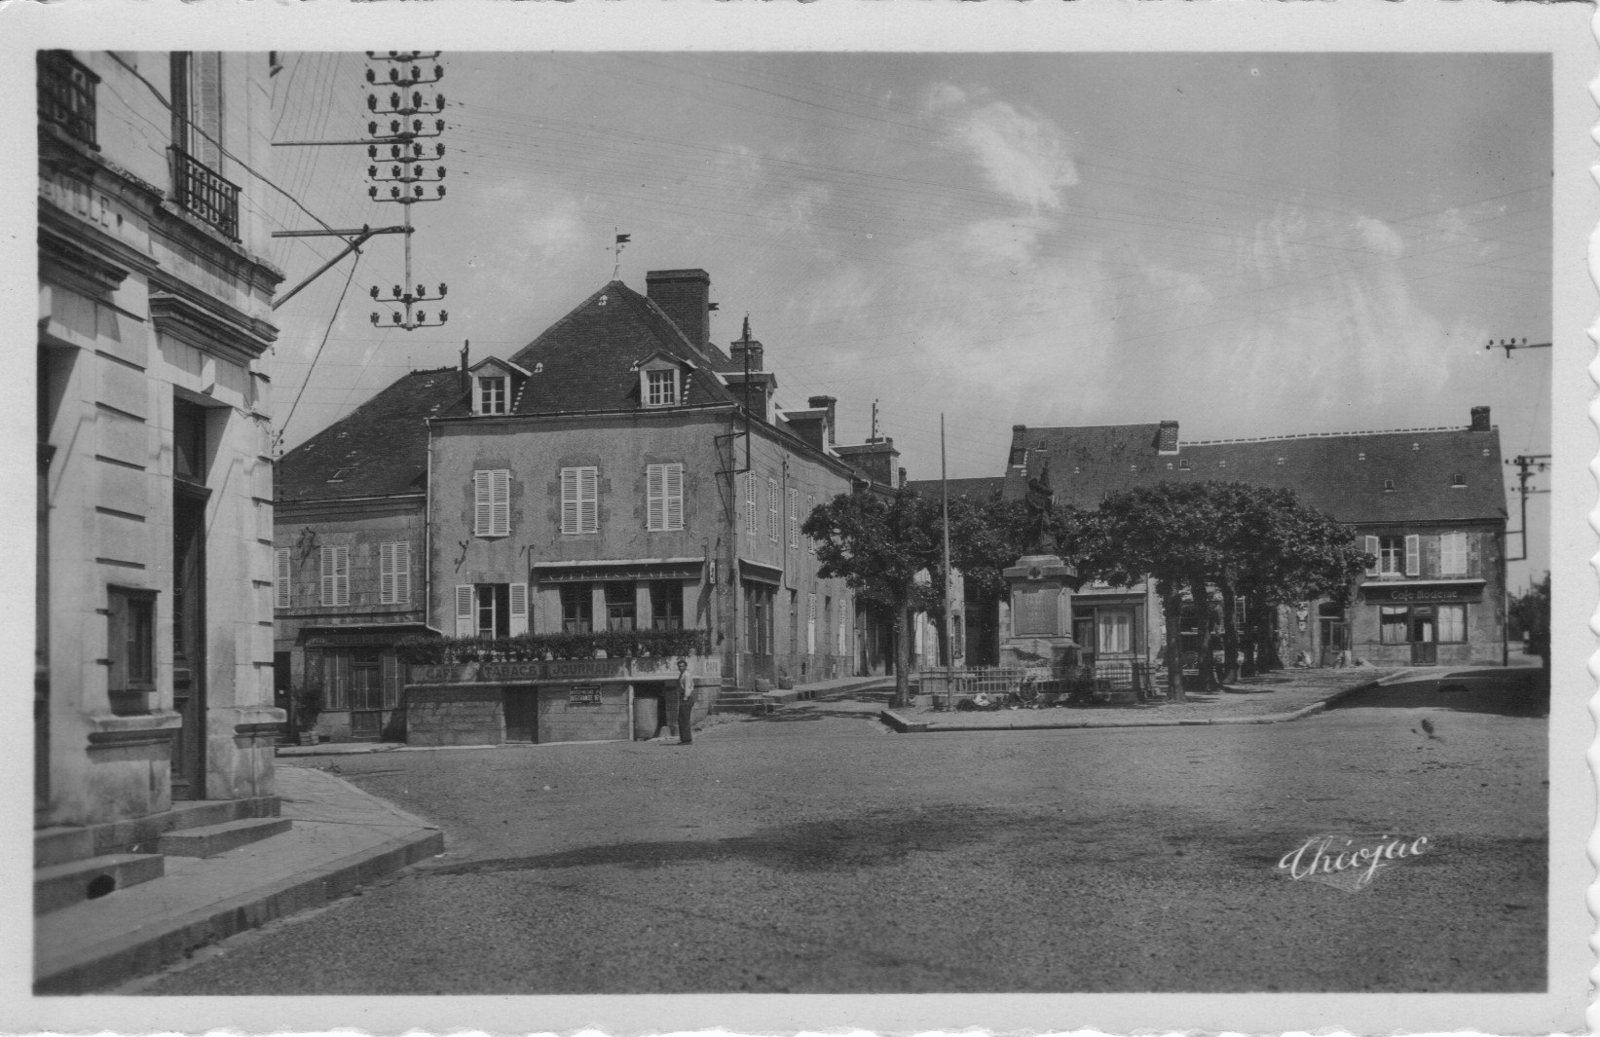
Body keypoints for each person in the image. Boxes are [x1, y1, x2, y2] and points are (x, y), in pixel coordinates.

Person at [675, 658, 696, 745]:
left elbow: (688, 686)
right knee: (681, 719)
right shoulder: (682, 674)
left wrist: (685, 697)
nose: (681, 668)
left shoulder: (686, 675)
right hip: (683, 697)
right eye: (679, 666)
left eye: (682, 666)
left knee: (684, 719)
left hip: (686, 697)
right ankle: (684, 738)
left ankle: (687, 740)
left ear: (685, 666)